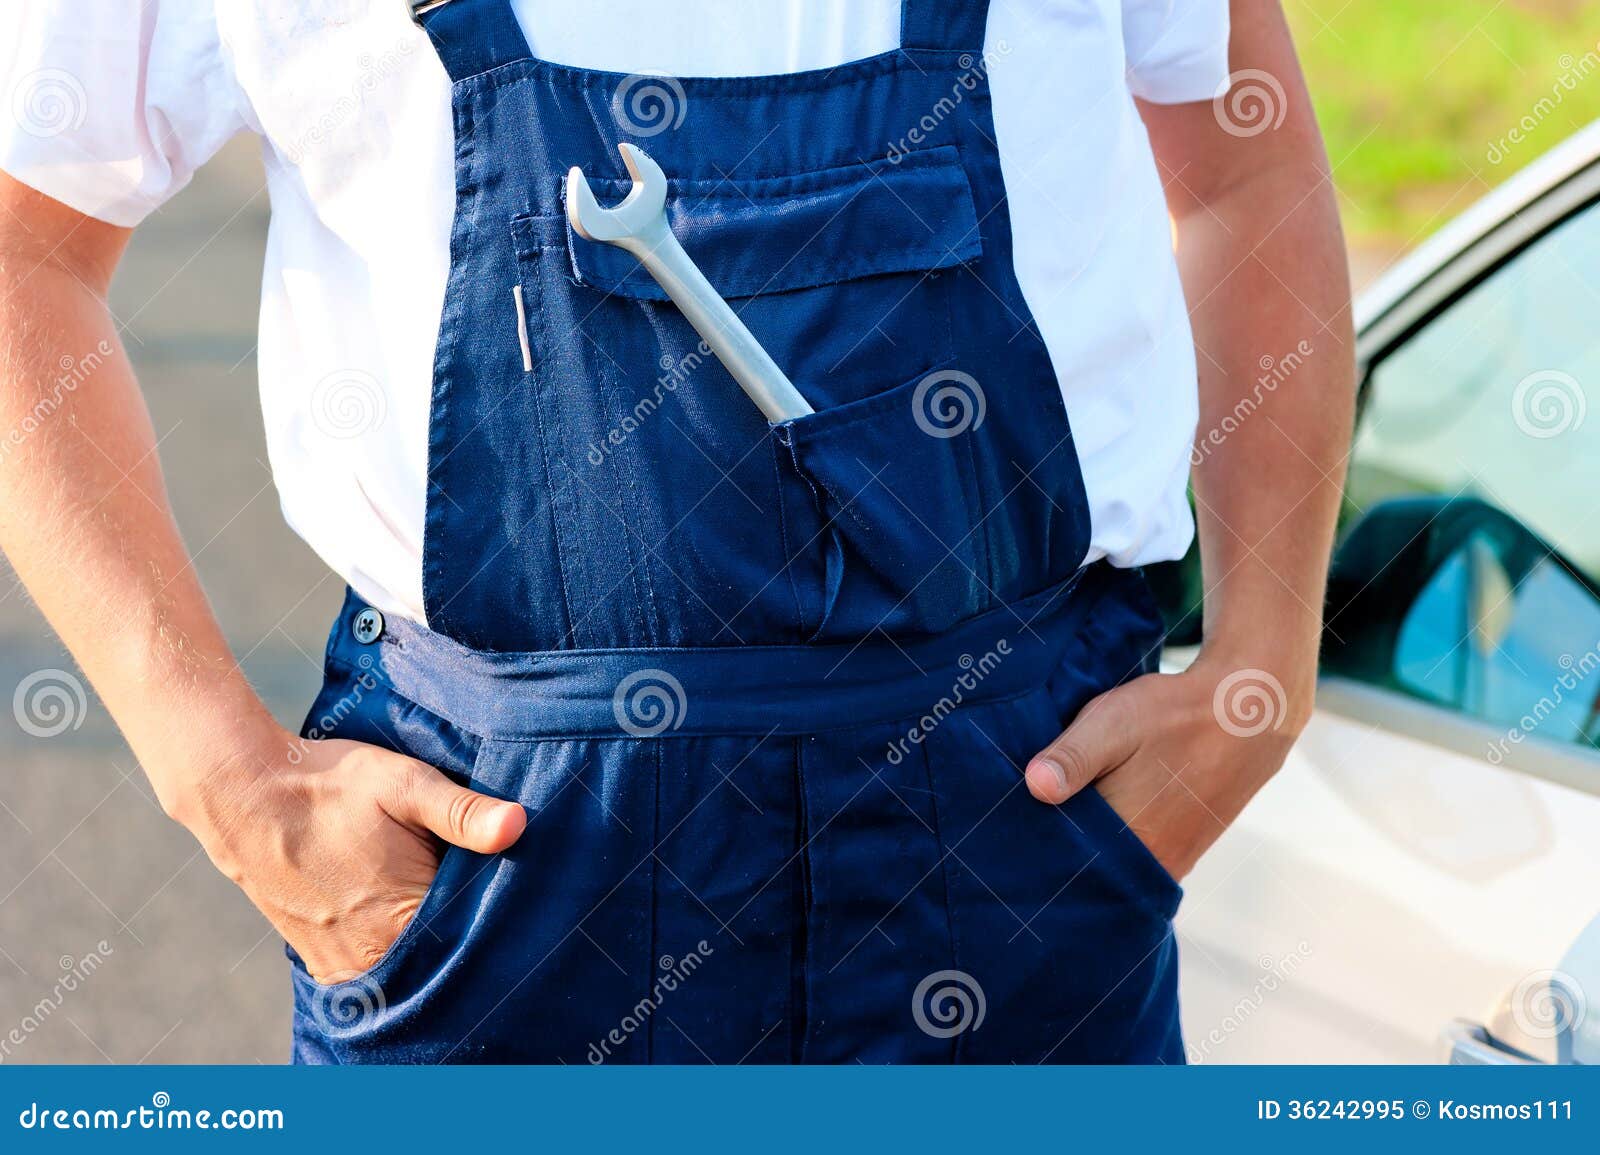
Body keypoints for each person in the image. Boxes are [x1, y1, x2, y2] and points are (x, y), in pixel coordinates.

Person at [0, 0, 1352, 1063]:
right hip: (505, 874)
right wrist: (224, 780)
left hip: (1019, 830)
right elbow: (24, 252)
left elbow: (1246, 166)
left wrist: (1261, 667)